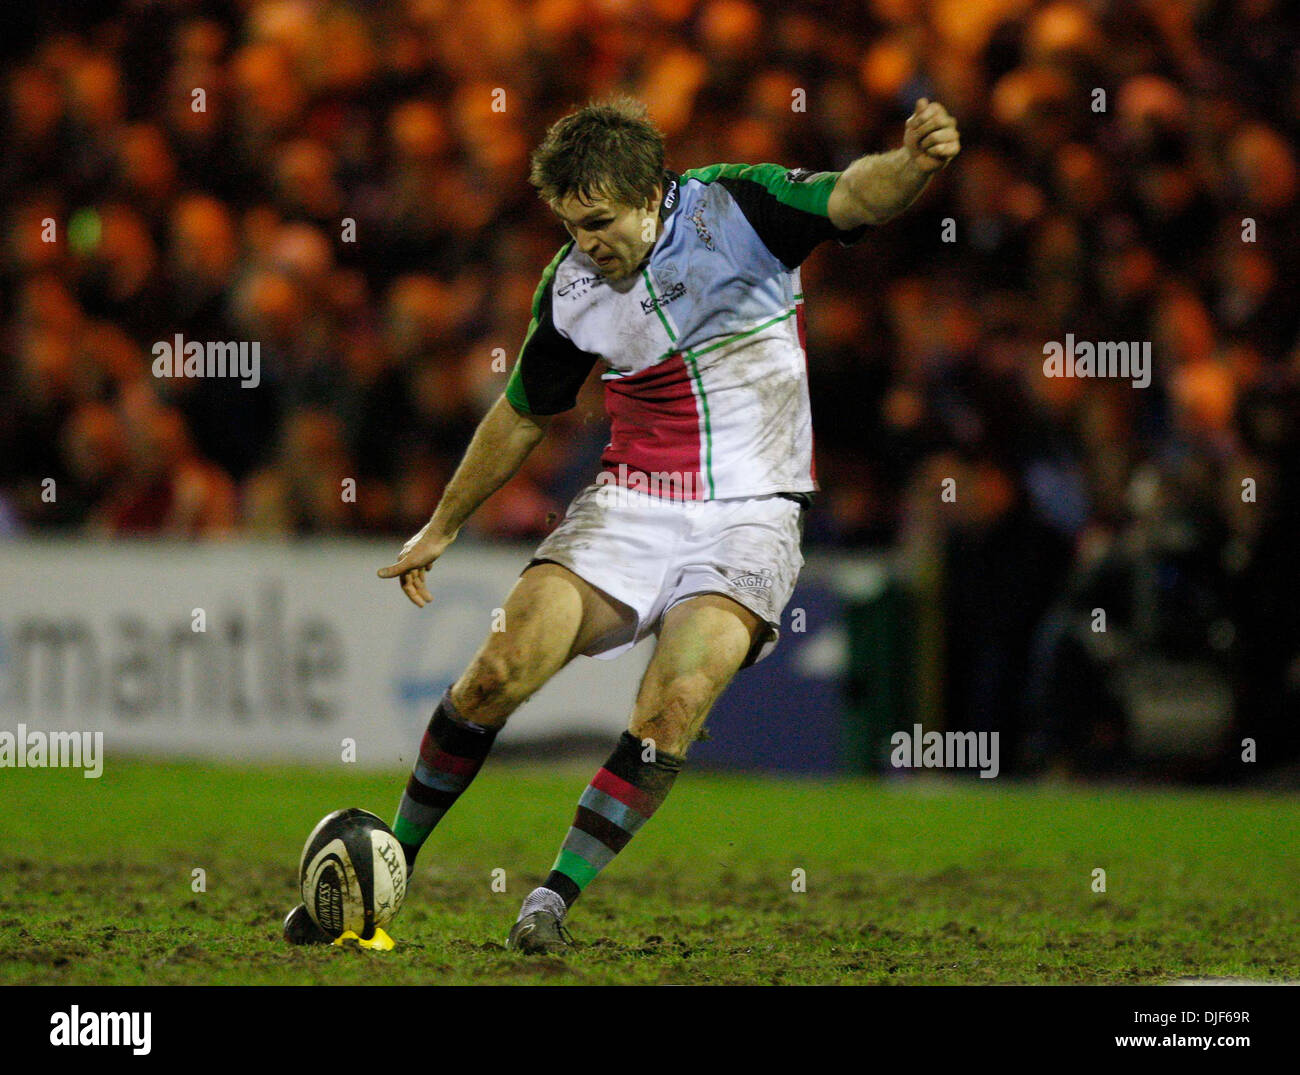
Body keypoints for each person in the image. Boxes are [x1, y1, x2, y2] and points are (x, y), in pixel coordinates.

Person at [284, 95, 959, 952]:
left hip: (753, 518)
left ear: (652, 194)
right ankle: (391, 865)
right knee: (496, 671)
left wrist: (914, 164)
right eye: (569, 225)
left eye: (599, 221)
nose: (585, 244)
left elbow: (855, 196)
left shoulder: (740, 209)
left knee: (673, 705)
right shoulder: (571, 287)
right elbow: (524, 411)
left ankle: (552, 897)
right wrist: (443, 523)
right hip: (631, 503)